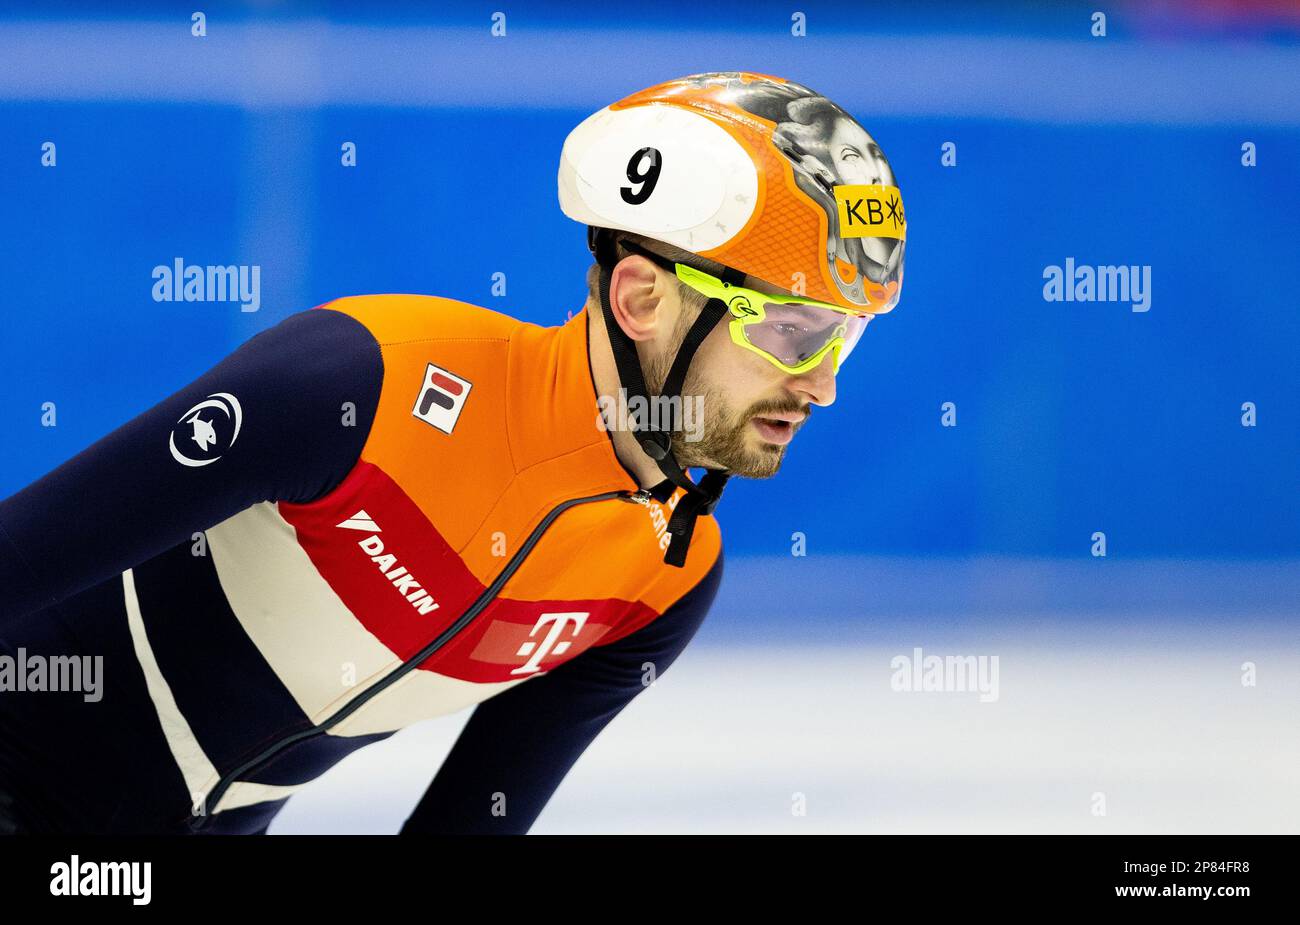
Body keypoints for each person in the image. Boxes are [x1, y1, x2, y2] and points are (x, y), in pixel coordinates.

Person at [0, 71, 906, 834]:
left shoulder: (664, 578)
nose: (822, 384)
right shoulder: (360, 384)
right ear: (641, 299)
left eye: (846, 340)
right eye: (792, 332)